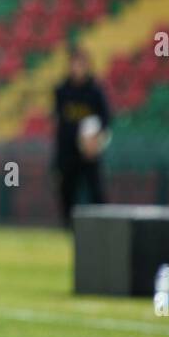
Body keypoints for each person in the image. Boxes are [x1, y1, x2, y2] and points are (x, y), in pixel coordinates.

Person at [53, 44, 111, 226]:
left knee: (95, 191)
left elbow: (105, 119)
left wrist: (94, 141)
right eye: (74, 64)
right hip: (68, 151)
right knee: (67, 191)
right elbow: (61, 123)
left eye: (80, 64)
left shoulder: (95, 92)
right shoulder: (62, 90)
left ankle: (101, 227)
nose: (76, 68)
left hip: (89, 153)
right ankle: (68, 227)